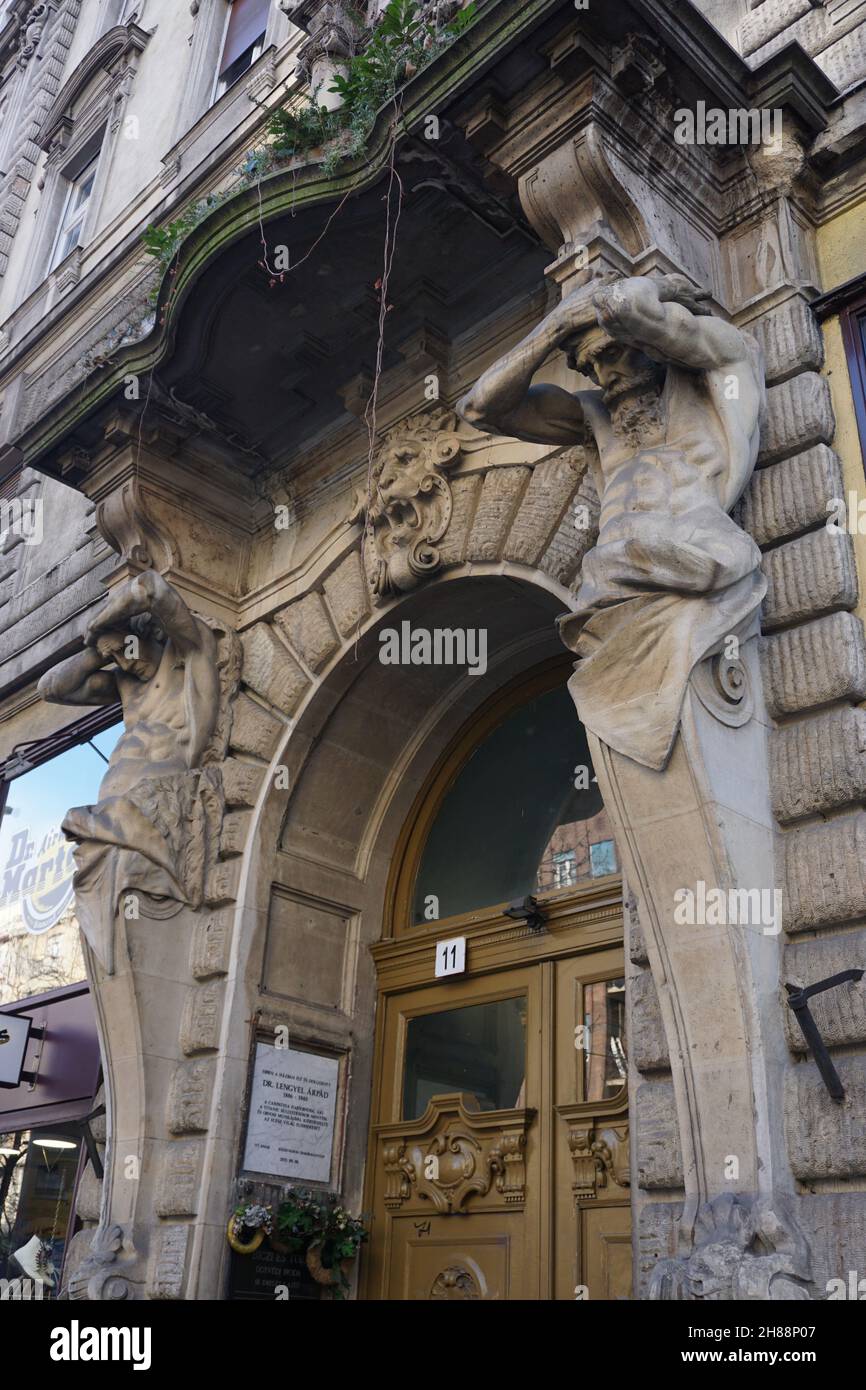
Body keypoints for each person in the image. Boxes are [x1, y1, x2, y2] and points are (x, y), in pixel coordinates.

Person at [457, 271, 767, 770]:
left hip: (699, 559)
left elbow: (626, 304)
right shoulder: (596, 417)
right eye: (589, 364)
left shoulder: (723, 367)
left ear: (648, 341)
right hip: (611, 586)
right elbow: (480, 408)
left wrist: (655, 289)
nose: (604, 374)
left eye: (612, 354)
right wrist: (556, 326)